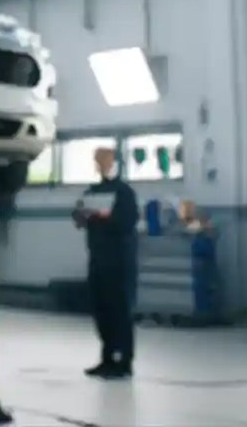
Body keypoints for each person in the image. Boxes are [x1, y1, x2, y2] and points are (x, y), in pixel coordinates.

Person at [72, 147, 138, 379]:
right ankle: (107, 357)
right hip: (98, 259)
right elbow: (78, 217)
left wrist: (104, 216)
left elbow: (128, 221)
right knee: (101, 310)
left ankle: (124, 361)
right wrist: (81, 215)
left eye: (104, 160)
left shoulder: (124, 192)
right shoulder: (93, 191)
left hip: (119, 261)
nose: (100, 164)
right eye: (97, 160)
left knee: (119, 310)